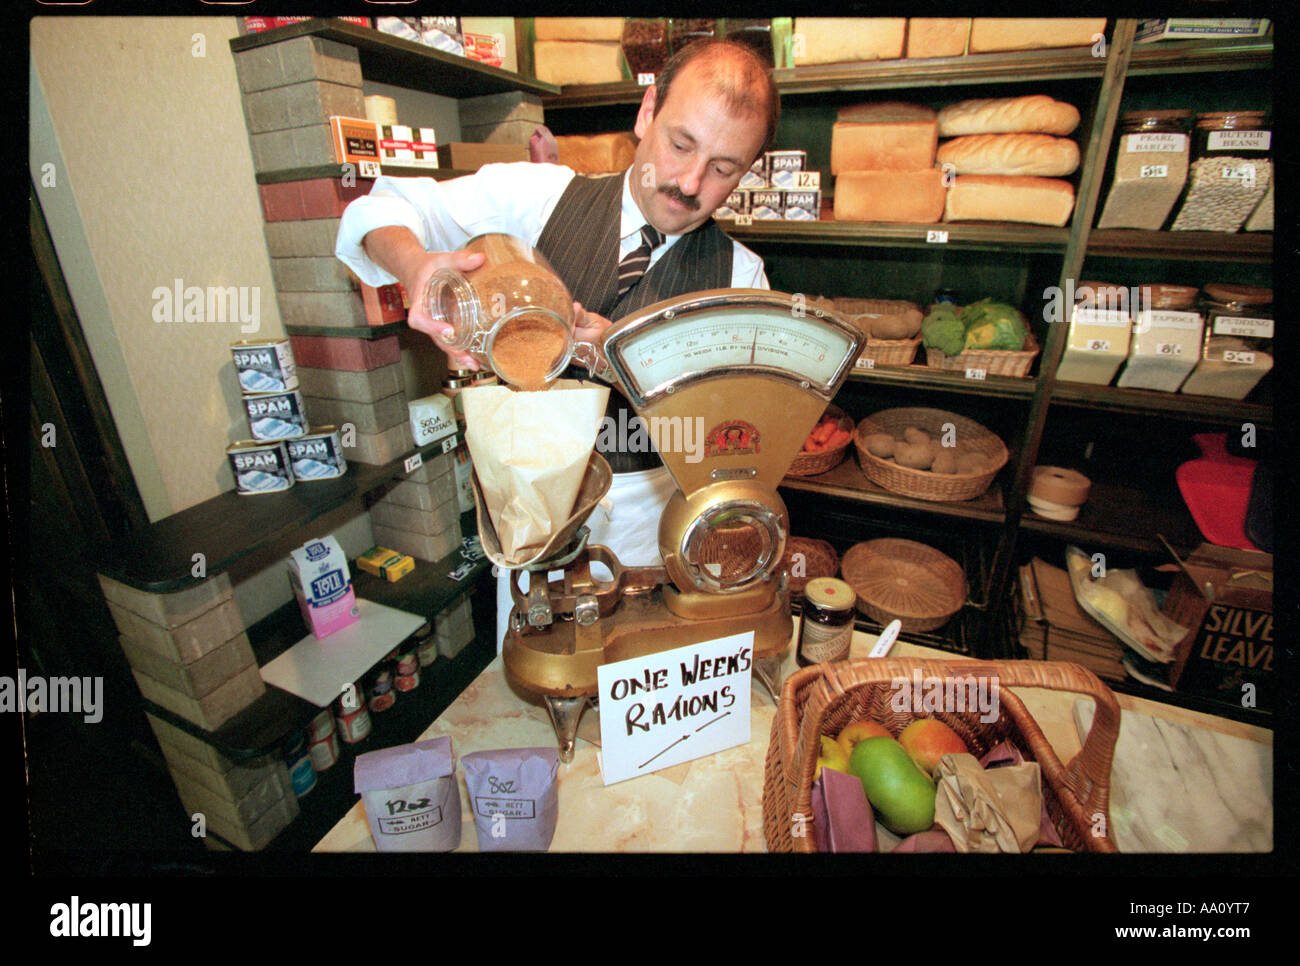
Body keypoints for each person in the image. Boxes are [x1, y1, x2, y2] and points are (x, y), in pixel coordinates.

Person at [335, 39, 781, 649]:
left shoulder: (743, 281)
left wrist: (630, 368)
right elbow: (379, 208)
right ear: (647, 111)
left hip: (654, 543)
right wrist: (416, 268)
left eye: (725, 167)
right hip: (530, 524)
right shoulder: (537, 196)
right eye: (681, 144)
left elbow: (739, 459)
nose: (689, 182)